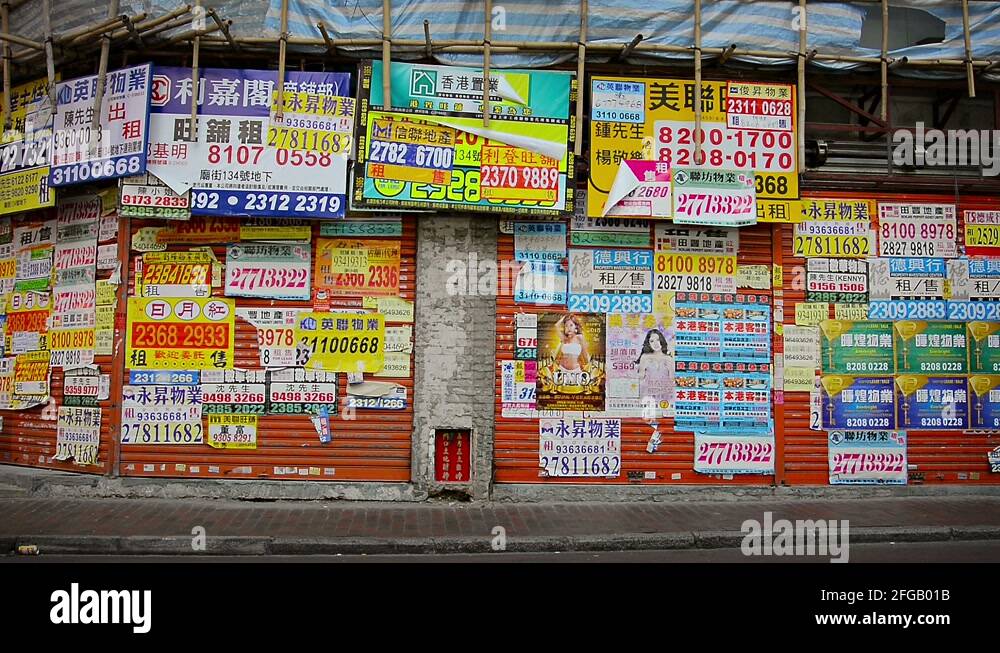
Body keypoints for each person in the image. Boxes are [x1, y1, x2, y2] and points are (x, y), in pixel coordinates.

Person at [636, 328, 672, 406]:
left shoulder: (668, 358)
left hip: (665, 395)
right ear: (648, 343)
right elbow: (640, 378)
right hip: (648, 395)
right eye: (652, 341)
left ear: (662, 340)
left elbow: (672, 379)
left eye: (658, 340)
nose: (655, 343)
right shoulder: (645, 357)